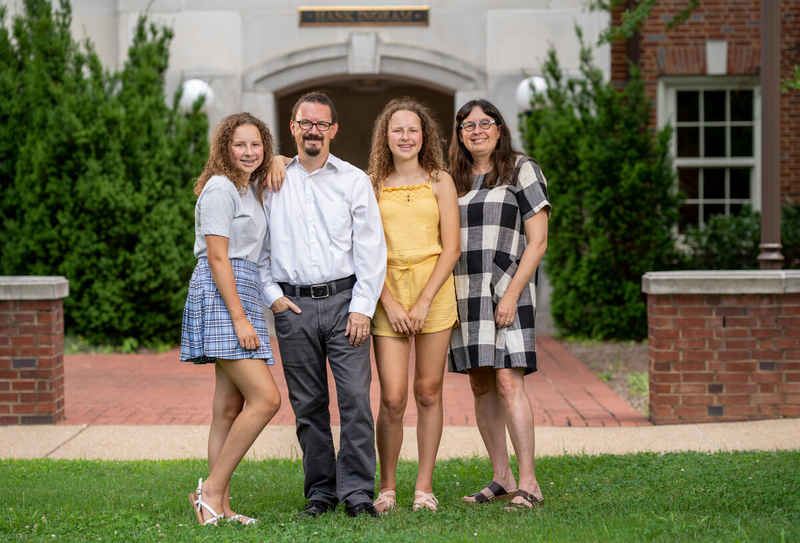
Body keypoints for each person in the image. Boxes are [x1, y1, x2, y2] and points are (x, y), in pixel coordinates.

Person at [258, 91, 387, 519]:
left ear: (333, 130)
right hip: (292, 308)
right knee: (308, 407)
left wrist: (363, 307)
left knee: (354, 400)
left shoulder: (353, 180)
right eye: (305, 122)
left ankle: (357, 494)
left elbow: (371, 247)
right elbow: (257, 248)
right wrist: (273, 297)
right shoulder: (271, 181)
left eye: (321, 123)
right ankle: (320, 493)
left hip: (344, 303)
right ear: (292, 128)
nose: (313, 130)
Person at [447, 99, 550, 511]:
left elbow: (538, 241)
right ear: (459, 134)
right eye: (467, 125)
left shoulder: (522, 168)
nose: (476, 130)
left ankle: (530, 482)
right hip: (464, 293)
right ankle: (501, 477)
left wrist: (510, 296)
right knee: (480, 383)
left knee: (509, 382)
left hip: (509, 289)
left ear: (499, 128)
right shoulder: (451, 179)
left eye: (484, 123)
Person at [180, 112, 282, 525]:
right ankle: (210, 491)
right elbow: (218, 257)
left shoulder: (247, 188)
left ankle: (218, 508)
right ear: (224, 147)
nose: (249, 152)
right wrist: (240, 318)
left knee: (228, 406)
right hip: (224, 293)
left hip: (242, 290)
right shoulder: (221, 188)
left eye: (256, 145)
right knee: (267, 399)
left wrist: (278, 160)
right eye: (240, 144)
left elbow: (284, 160)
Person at [366, 98, 460, 513]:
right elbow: (364, 250)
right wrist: (388, 301)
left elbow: (453, 248)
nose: (406, 137)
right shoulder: (372, 183)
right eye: (397, 130)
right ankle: (387, 487)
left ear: (425, 136)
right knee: (392, 397)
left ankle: (424, 488)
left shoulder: (441, 181)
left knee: (428, 391)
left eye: (413, 130)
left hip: (434, 290)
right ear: (385, 137)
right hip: (386, 290)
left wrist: (423, 302)